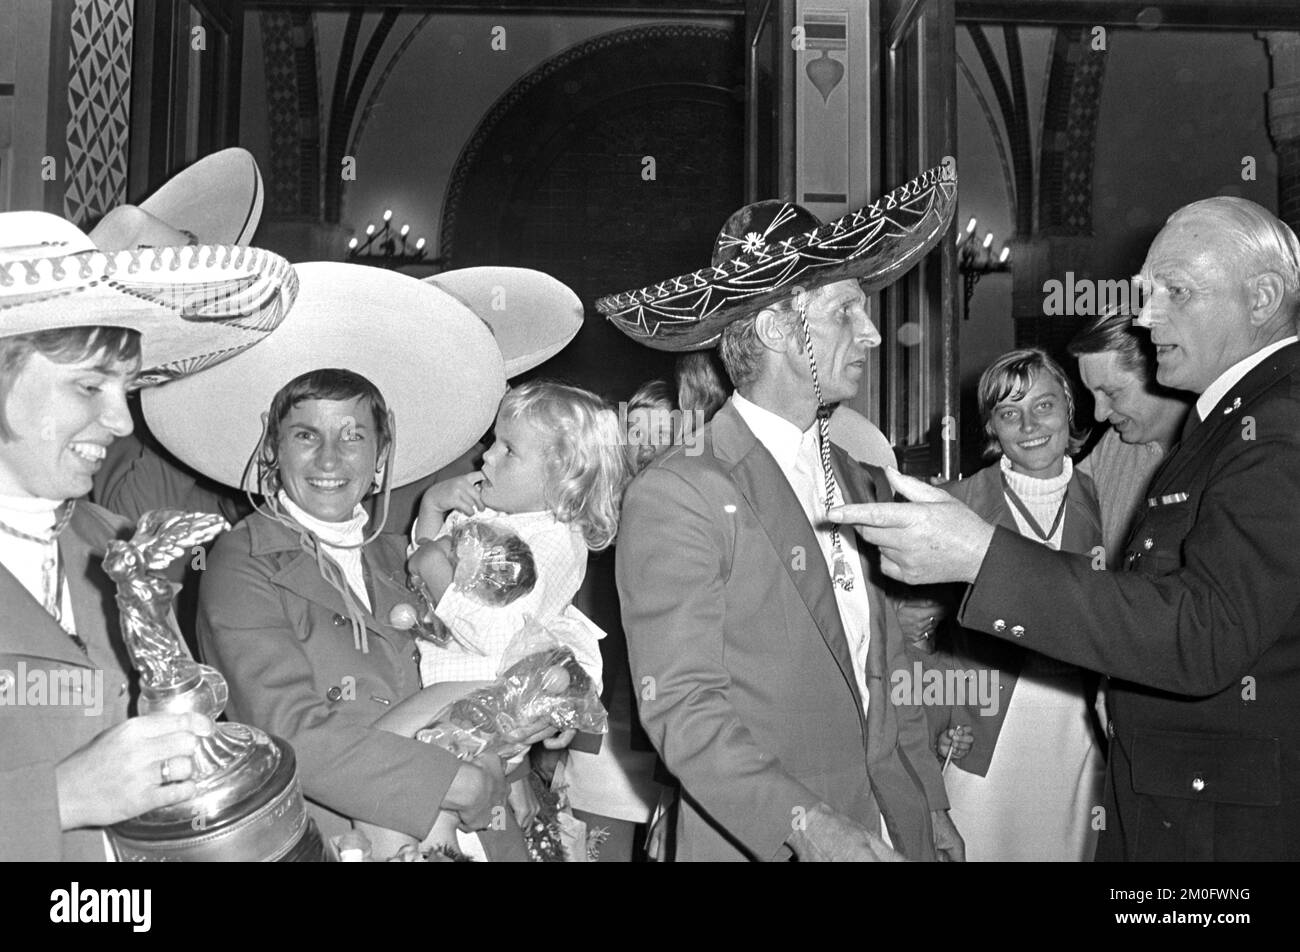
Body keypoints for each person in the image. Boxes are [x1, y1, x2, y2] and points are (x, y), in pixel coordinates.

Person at [829, 195, 1300, 861]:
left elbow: (1205, 632)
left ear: (1262, 297)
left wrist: (983, 557)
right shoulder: (1233, 420)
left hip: (1225, 823)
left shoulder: (1278, 424)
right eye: (1145, 292)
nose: (1144, 314)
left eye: (1176, 291)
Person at [597, 162, 963, 861]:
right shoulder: (679, 492)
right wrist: (811, 827)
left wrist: (928, 805)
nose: (873, 334)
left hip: (891, 826)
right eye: (844, 312)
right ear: (775, 329)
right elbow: (682, 709)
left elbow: (880, 667)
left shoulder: (856, 477)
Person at [144, 262, 556, 854]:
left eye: (353, 436)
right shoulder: (241, 561)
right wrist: (454, 783)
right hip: (335, 833)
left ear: (381, 456)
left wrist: (526, 720)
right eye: (306, 435)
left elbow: (479, 661)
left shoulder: (407, 557)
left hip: (473, 827)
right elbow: (287, 733)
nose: (330, 459)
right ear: (273, 448)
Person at [0, 210, 296, 860]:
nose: (120, 419)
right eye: (89, 386)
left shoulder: (118, 544)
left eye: (128, 388)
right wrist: (60, 798)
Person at [378, 379, 626, 858]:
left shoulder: (555, 542)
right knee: (416, 793)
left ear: (562, 477)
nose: (486, 458)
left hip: (482, 693)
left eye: (507, 450)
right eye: (493, 442)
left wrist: (436, 573)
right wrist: (432, 506)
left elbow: (497, 635)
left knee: (384, 762)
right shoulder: (497, 514)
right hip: (453, 687)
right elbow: (421, 564)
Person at [926, 348, 1105, 861]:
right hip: (982, 733)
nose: (1029, 425)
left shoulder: (1102, 496)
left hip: (1077, 731)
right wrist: (938, 720)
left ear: (1070, 411)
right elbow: (911, 632)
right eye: (1009, 412)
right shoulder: (958, 502)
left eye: (1044, 406)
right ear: (992, 428)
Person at [1069, 309, 1193, 568]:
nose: (1099, 414)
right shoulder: (1114, 445)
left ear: (1162, 376)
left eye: (1111, 393)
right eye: (1093, 396)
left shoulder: (1219, 455)